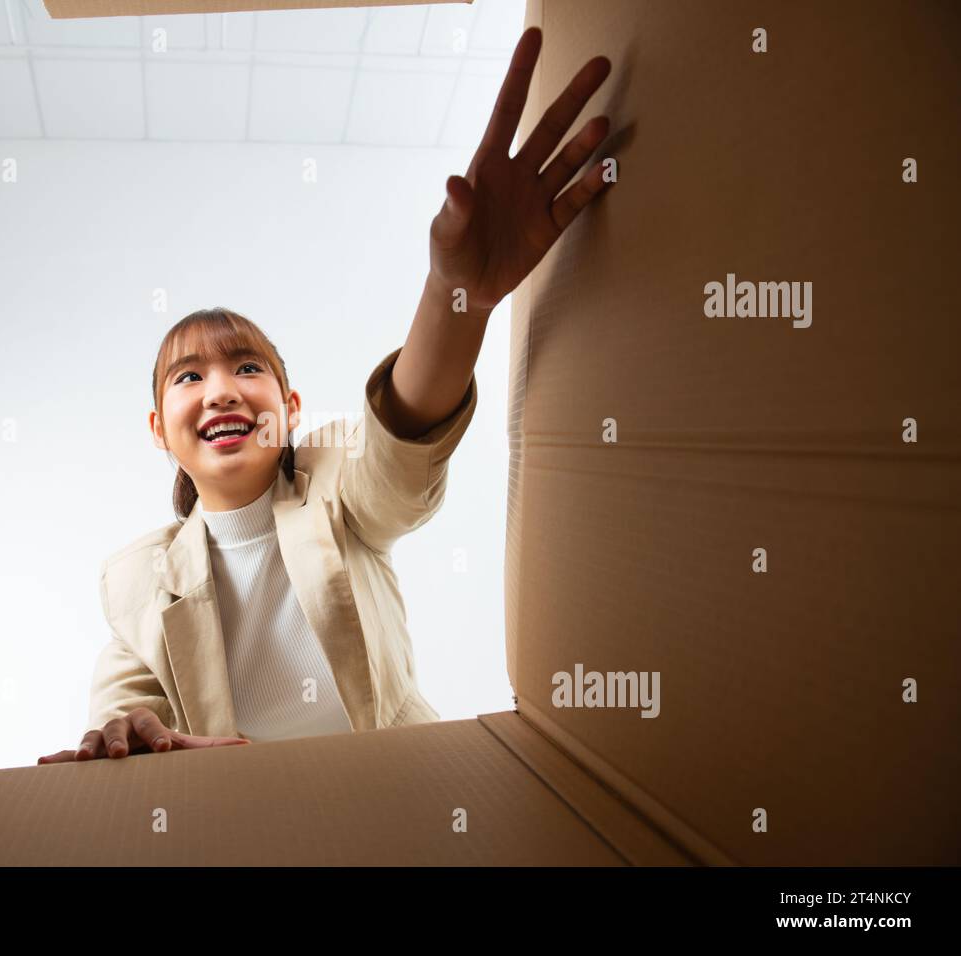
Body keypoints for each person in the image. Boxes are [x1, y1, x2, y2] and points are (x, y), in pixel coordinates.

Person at [39, 26, 612, 763]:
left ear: (292, 408)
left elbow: (401, 448)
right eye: (189, 377)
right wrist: (121, 734)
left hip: (396, 799)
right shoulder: (134, 581)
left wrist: (455, 294)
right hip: (242, 828)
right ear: (159, 429)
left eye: (246, 369)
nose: (220, 392)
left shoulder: (334, 484)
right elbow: (124, 709)